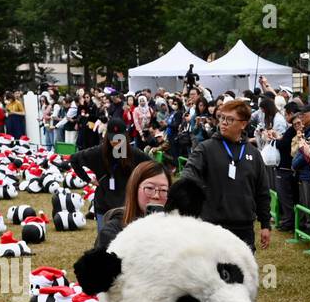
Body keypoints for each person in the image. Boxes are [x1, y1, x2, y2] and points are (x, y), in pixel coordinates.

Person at [178, 98, 272, 250]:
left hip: (244, 228)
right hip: (212, 227)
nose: (224, 122)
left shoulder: (253, 154)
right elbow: (190, 172)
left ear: (243, 123)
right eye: (222, 117)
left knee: (242, 272)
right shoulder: (206, 148)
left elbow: (262, 192)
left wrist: (265, 225)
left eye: (230, 119)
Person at [69, 118, 152, 233]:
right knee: (104, 243)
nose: (115, 142)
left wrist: (142, 183)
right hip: (104, 205)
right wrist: (88, 179)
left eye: (119, 139)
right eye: (112, 138)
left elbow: (154, 167)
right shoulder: (97, 152)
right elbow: (74, 159)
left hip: (127, 206)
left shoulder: (134, 154)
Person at [95, 160, 173, 249]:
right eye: (149, 188)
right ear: (134, 189)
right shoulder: (113, 231)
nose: (156, 195)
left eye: (163, 190)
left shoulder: (176, 228)